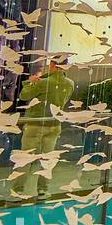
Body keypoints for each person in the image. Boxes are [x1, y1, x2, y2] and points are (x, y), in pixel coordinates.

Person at [16, 56, 75, 198]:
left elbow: (24, 96)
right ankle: (43, 190)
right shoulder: (70, 83)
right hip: (54, 125)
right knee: (47, 159)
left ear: (53, 65)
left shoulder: (44, 82)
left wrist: (31, 82)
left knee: (26, 159)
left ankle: (18, 191)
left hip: (36, 125)